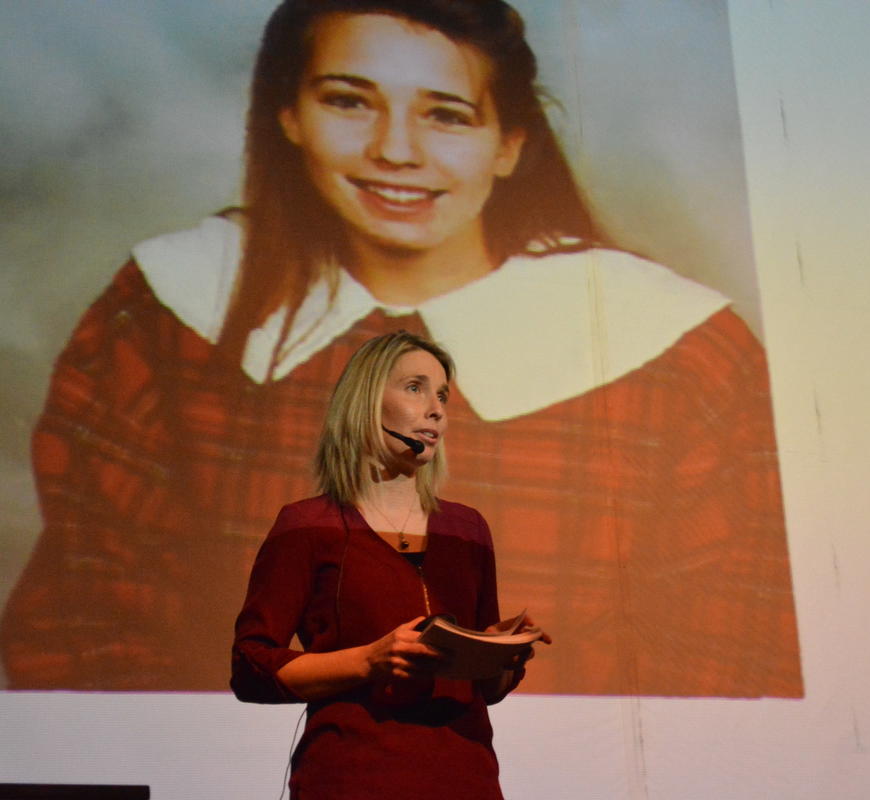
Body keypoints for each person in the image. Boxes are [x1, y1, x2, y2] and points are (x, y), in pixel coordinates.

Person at [2, 0, 802, 697]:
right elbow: (91, 608)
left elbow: (738, 643)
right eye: (349, 101)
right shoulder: (171, 309)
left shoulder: (676, 346)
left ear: (510, 142)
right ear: (288, 115)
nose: (396, 150)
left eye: (447, 114)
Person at [232, 330, 543, 799]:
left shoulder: (467, 528)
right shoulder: (308, 525)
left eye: (442, 395)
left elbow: (487, 690)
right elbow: (251, 666)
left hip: (466, 780)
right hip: (352, 778)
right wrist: (368, 661)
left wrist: (499, 654)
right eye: (415, 388)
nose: (436, 408)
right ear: (365, 401)